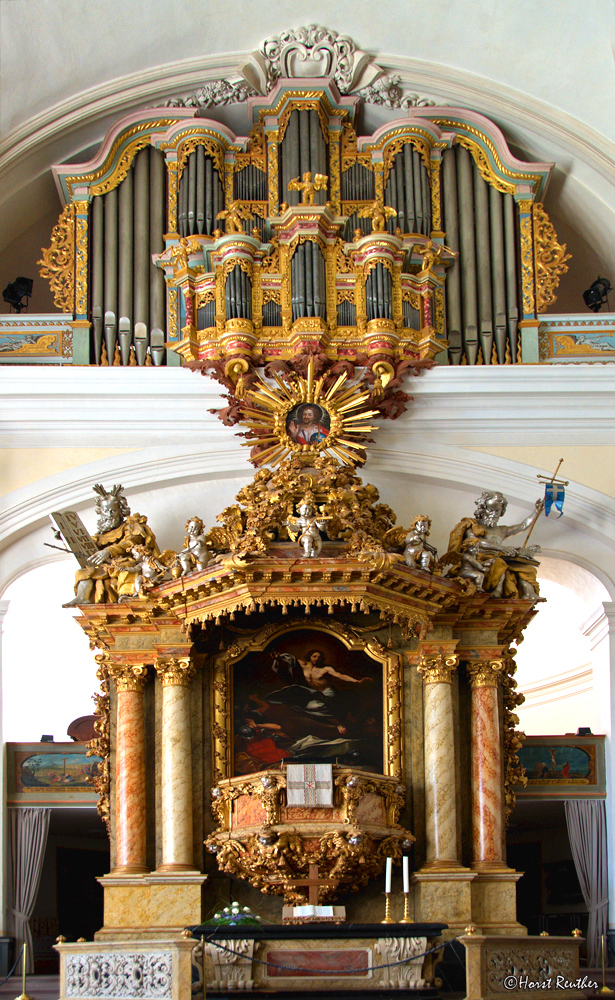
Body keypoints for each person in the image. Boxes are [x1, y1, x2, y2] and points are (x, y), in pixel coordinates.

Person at [63, 484, 159, 606]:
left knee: (126, 567)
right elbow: (83, 547)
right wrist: (65, 538)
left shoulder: (131, 526)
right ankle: (83, 598)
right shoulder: (98, 536)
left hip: (125, 562)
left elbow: (130, 542)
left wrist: (108, 551)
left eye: (113, 510)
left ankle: (126, 596)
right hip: (106, 567)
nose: (109, 514)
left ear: (121, 512)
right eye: (106, 510)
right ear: (100, 512)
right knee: (83, 572)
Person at [444, 490, 542, 598]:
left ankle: (529, 594)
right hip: (478, 559)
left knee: (528, 569)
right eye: (491, 510)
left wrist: (536, 512)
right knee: (499, 563)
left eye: (497, 510)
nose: (493, 514)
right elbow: (477, 541)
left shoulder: (501, 530)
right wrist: (501, 548)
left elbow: (523, 526)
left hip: (497, 558)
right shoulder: (472, 525)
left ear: (502, 511)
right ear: (483, 509)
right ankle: (497, 591)